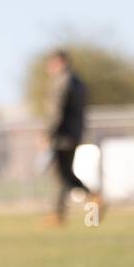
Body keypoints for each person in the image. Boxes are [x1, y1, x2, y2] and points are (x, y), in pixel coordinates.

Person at [43, 49, 100, 225]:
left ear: (60, 62)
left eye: (51, 64)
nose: (48, 68)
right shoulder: (78, 82)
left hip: (62, 136)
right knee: (65, 173)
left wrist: (48, 133)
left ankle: (58, 214)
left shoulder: (62, 81)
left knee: (60, 174)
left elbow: (56, 111)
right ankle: (92, 197)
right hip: (75, 133)